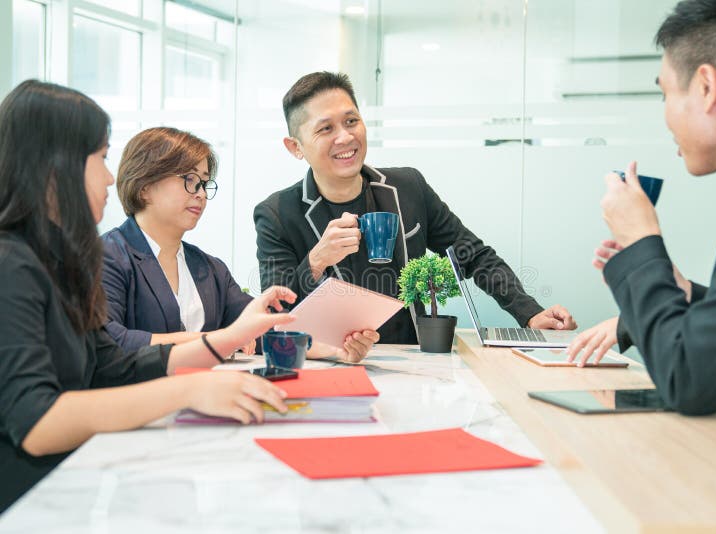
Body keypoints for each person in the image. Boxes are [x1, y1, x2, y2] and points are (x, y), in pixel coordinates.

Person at [0, 80, 297, 512]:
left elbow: (115, 366)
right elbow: (36, 421)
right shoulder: (11, 263)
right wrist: (188, 391)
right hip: (29, 502)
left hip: (79, 482)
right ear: (54, 165)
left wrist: (226, 340)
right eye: (101, 158)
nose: (110, 177)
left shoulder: (60, 260)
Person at [570, 0, 716, 439]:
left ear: (706, 87)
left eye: (665, 94)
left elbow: (689, 378)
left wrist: (641, 241)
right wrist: (686, 292)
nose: (665, 115)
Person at [254, 71, 577, 352]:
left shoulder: (408, 187)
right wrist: (316, 261)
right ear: (295, 147)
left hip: (410, 358)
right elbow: (274, 313)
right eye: (325, 129)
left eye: (351, 121)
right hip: (329, 363)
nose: (345, 136)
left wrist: (529, 313)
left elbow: (473, 255)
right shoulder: (276, 214)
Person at [102, 127, 259, 354]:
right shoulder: (108, 255)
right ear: (144, 187)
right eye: (190, 179)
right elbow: (107, 339)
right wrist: (205, 341)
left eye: (204, 183)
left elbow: (258, 329)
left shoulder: (211, 269)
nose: (201, 194)